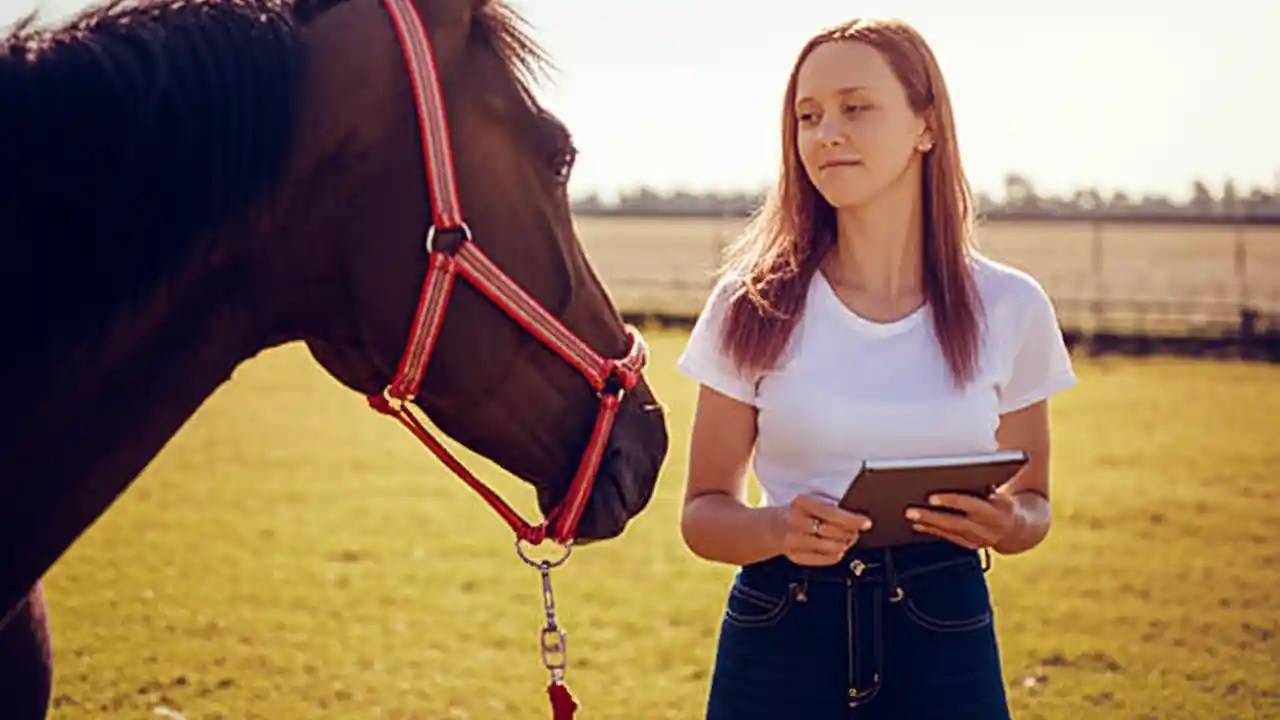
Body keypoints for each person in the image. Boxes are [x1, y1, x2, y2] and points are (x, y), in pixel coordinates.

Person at [676, 17, 1077, 720]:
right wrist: (776, 531)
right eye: (808, 116)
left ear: (926, 124)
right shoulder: (751, 303)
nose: (826, 132)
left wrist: (1005, 524)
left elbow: (1035, 505)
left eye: (855, 108)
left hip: (945, 624)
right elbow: (703, 513)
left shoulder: (1011, 306)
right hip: (781, 625)